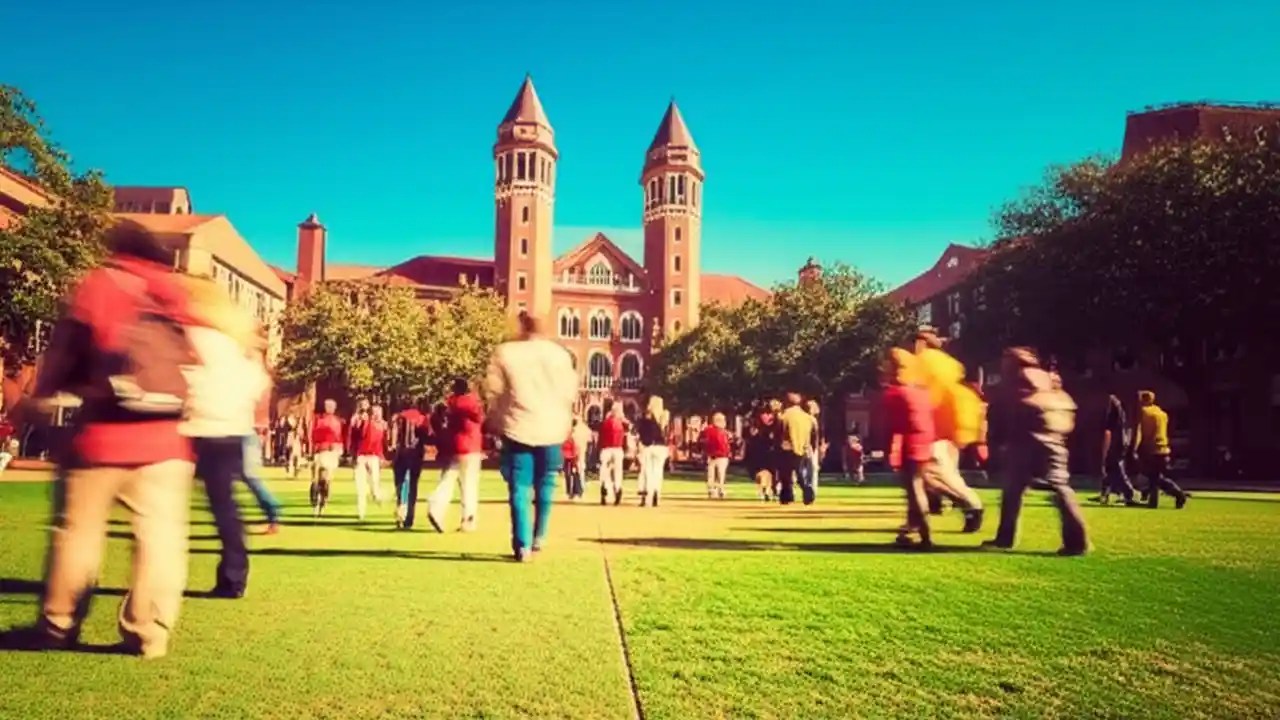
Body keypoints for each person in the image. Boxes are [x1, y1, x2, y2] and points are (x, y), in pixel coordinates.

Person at [6, 218, 196, 658]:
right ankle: (148, 630)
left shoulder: (101, 284)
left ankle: (59, 621)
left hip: (101, 436)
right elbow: (194, 361)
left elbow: (66, 351)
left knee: (79, 531)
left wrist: (42, 398)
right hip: (167, 441)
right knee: (161, 538)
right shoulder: (173, 294)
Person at [179, 274, 269, 599]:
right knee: (224, 507)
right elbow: (257, 383)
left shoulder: (193, 334)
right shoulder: (235, 342)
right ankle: (233, 578)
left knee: (166, 506)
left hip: (194, 427)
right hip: (229, 428)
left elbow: (181, 377)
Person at [483, 314, 577, 562]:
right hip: (552, 428)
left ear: (522, 326)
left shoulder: (505, 352)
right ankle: (539, 537)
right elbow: (570, 392)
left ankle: (522, 544)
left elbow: (493, 391)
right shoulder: (560, 355)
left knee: (520, 487)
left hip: (518, 427)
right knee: (546, 485)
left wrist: (495, 418)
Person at [985, 348, 1090, 556]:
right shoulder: (1049, 380)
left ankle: (1076, 542)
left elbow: (1004, 409)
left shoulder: (1018, 380)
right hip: (1054, 439)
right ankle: (1076, 540)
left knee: (1023, 490)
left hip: (1028, 441)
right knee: (1033, 489)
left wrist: (997, 442)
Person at [914, 329, 985, 532]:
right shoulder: (946, 362)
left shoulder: (927, 362)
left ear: (922, 343)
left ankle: (971, 505)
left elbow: (929, 397)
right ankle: (926, 514)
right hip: (952, 425)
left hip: (936, 427)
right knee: (939, 472)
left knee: (929, 473)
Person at [882, 349, 936, 549]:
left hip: (909, 444)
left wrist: (889, 450)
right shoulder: (921, 392)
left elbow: (889, 426)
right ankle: (910, 531)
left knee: (914, 489)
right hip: (925, 441)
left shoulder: (895, 393)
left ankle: (926, 537)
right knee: (917, 487)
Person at [428, 378, 485, 533]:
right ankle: (468, 519)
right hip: (471, 447)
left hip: (454, 446)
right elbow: (482, 418)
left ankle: (435, 506)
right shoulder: (471, 403)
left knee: (448, 479)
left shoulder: (451, 402)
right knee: (469, 485)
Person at [240, 346, 282, 533]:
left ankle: (273, 513)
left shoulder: (258, 378)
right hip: (239, 428)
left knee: (249, 475)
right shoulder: (251, 375)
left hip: (249, 431)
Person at [1133, 390, 1188, 509]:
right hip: (1163, 448)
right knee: (1156, 476)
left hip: (1150, 448)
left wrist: (1135, 448)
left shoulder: (1143, 412)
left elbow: (1139, 431)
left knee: (1153, 476)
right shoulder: (1162, 413)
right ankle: (1161, 499)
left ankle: (1178, 494)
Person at [390, 399, 429, 529]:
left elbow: (394, 435)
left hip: (401, 454)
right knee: (413, 486)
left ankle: (400, 510)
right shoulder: (422, 418)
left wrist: (393, 447)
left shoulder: (399, 417)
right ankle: (410, 517)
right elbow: (426, 436)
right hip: (416, 455)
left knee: (400, 484)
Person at [1096, 394, 1140, 506]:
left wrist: (1104, 450)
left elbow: (1108, 433)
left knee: (1116, 470)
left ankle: (1129, 493)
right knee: (1111, 471)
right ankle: (1104, 494)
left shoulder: (1112, 417)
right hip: (1120, 446)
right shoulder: (1122, 416)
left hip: (1114, 447)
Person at [351, 404, 388, 521]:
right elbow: (357, 434)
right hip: (362, 457)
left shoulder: (383, 426)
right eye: (374, 412)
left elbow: (383, 444)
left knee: (375, 486)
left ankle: (379, 497)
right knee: (361, 488)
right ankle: (361, 512)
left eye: (378, 412)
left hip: (374, 457)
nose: (376, 414)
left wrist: (383, 457)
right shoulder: (365, 423)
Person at [778, 393, 815, 505]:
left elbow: (779, 432)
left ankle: (787, 496)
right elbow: (814, 433)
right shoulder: (808, 417)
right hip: (804, 447)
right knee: (802, 473)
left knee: (786, 474)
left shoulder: (784, 416)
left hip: (787, 447)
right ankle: (807, 492)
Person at [311, 399, 345, 517]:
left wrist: (339, 449)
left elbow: (340, 438)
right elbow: (313, 435)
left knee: (326, 480)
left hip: (331, 453)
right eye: (327, 406)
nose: (328, 408)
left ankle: (323, 500)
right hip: (320, 451)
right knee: (315, 479)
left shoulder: (337, 421)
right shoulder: (318, 419)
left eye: (331, 406)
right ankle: (315, 501)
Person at [636, 396, 671, 507]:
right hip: (661, 447)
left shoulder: (647, 416)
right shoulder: (664, 416)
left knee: (646, 472)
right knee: (657, 472)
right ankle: (656, 493)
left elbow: (642, 432)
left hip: (648, 446)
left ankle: (646, 495)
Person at [745, 402, 780, 501]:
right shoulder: (755, 427)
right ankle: (765, 490)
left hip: (770, 452)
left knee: (770, 473)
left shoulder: (775, 425)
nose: (767, 416)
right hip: (760, 452)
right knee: (764, 473)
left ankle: (769, 490)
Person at [598, 404, 628, 505]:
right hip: (617, 449)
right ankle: (618, 489)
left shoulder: (605, 423)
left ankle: (605, 491)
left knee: (605, 472)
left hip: (606, 449)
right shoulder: (621, 424)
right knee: (617, 472)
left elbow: (600, 438)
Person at [702, 412, 731, 499]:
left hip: (715, 455)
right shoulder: (723, 432)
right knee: (720, 474)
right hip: (720, 455)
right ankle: (719, 489)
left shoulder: (708, 430)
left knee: (712, 474)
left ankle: (713, 490)